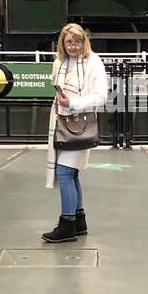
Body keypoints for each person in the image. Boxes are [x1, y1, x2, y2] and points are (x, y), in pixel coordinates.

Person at [42, 23, 109, 243]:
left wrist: (73, 103)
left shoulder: (93, 61)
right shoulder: (59, 62)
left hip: (80, 124)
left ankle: (67, 225)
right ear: (62, 42)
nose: (73, 46)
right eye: (69, 41)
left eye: (77, 41)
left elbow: (101, 97)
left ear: (84, 42)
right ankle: (79, 222)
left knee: (64, 173)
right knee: (71, 174)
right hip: (60, 124)